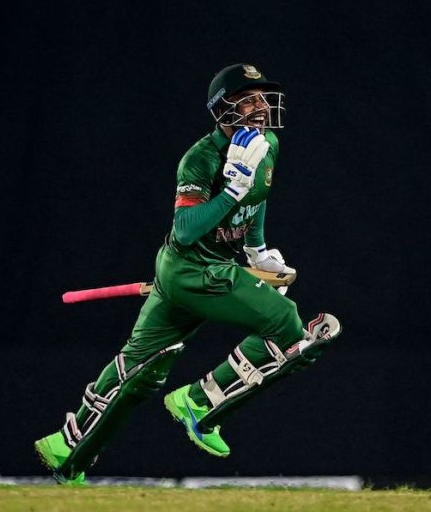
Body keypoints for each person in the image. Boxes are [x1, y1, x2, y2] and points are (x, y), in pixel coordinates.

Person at [33, 63, 342, 485]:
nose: (260, 107)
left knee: (142, 373)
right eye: (247, 100)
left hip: (207, 267)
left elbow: (258, 198)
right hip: (193, 270)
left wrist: (257, 249)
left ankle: (67, 450)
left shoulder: (268, 143)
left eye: (262, 98)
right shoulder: (200, 159)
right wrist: (230, 190)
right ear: (223, 108)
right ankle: (200, 401)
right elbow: (184, 230)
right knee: (286, 323)